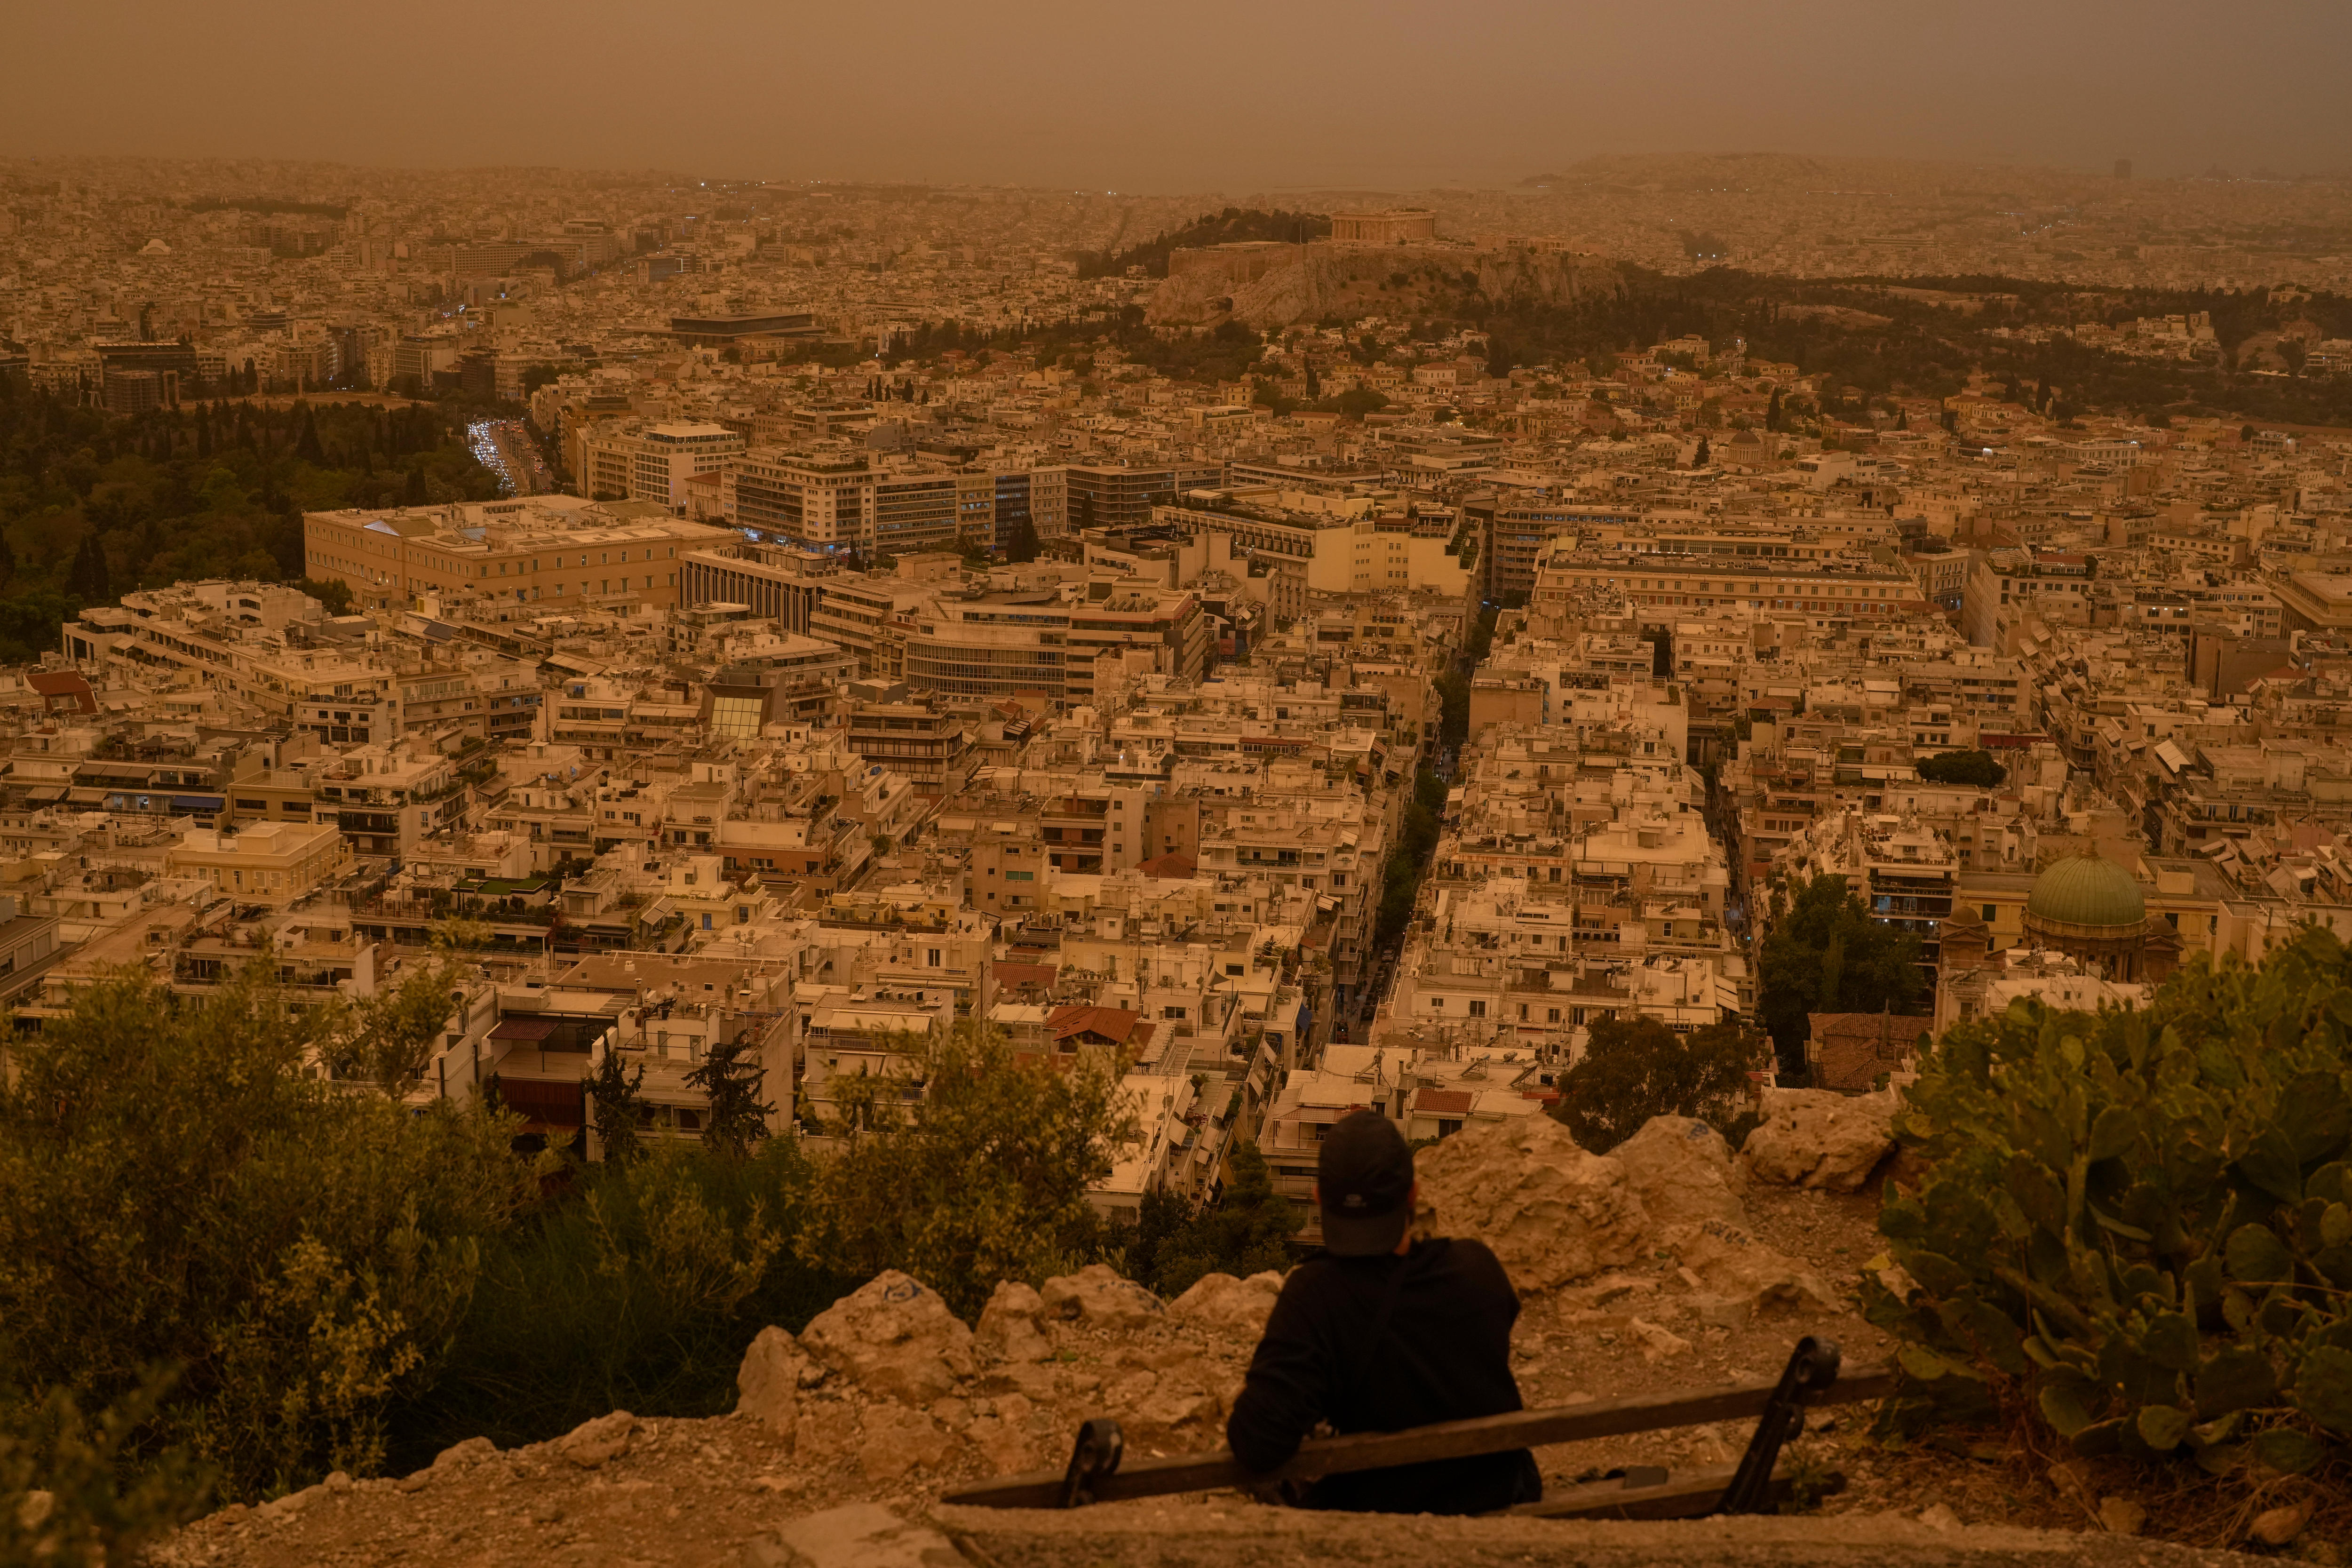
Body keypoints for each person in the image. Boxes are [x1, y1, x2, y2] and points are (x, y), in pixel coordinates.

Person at [1224, 1109, 1541, 1514]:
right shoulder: (1477, 1269)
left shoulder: (1314, 1297)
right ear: (1412, 1194)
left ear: (1319, 1197)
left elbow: (1255, 1442)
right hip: (1494, 1500)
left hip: (1378, 1519)